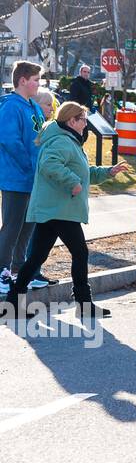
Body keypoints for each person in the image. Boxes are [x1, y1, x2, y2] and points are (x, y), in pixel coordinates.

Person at [3, 102, 130, 317]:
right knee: (80, 253)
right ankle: (84, 305)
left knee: (36, 257)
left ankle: (12, 304)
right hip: (59, 208)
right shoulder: (61, 141)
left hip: (56, 208)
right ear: (72, 121)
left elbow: (82, 172)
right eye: (82, 119)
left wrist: (107, 172)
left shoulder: (69, 141)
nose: (85, 123)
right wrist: (72, 182)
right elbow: (49, 164)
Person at [0, 62, 46, 297]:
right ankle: (2, 272)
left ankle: (20, 270)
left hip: (34, 180)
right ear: (23, 80)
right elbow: (10, 141)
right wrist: (30, 167)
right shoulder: (10, 106)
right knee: (12, 227)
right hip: (16, 179)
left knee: (28, 228)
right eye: (36, 79)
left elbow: (40, 139)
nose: (39, 83)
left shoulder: (34, 108)